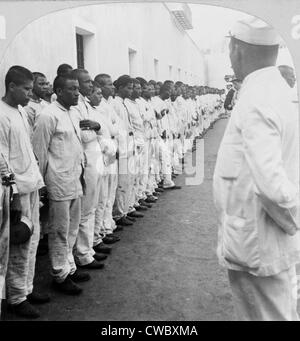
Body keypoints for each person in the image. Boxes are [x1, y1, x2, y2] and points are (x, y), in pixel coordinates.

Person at [213, 16, 300, 321]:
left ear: (235, 49)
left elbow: (271, 186)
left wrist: (293, 225)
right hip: (258, 238)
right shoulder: (276, 89)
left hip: (258, 242)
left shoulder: (258, 97)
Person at [33, 73, 89, 295]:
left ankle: (70, 267)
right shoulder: (48, 115)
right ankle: (59, 274)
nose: (77, 92)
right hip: (58, 181)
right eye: (72, 89)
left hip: (74, 178)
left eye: (77, 88)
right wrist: (42, 185)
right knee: (59, 230)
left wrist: (82, 171)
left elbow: (76, 147)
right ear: (58, 91)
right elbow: (39, 152)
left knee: (73, 227)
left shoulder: (73, 112)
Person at [0, 66, 46, 318]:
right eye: (26, 89)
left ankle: (27, 288)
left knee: (34, 238)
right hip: (14, 190)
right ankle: (16, 298)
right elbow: (2, 160)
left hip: (31, 185)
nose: (30, 94)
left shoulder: (19, 111)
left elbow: (27, 151)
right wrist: (15, 195)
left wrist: (38, 183)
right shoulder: (1, 114)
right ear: (11, 87)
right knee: (20, 242)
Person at [70, 69, 111, 269]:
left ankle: (91, 246)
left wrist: (96, 128)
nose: (90, 84)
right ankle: (83, 254)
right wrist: (96, 129)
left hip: (96, 160)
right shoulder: (76, 106)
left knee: (93, 206)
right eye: (86, 82)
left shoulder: (86, 104)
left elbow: (99, 130)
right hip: (86, 163)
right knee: (85, 211)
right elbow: (85, 135)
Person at [111, 75, 137, 226]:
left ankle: (125, 210)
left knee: (127, 181)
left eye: (132, 87)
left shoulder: (124, 103)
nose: (131, 90)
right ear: (120, 88)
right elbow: (117, 129)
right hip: (121, 148)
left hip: (128, 145)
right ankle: (119, 214)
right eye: (128, 87)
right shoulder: (114, 104)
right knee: (121, 184)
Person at [24, 72, 49, 136]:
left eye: (46, 84)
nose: (45, 87)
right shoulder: (27, 107)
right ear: (32, 85)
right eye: (41, 84)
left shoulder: (46, 104)